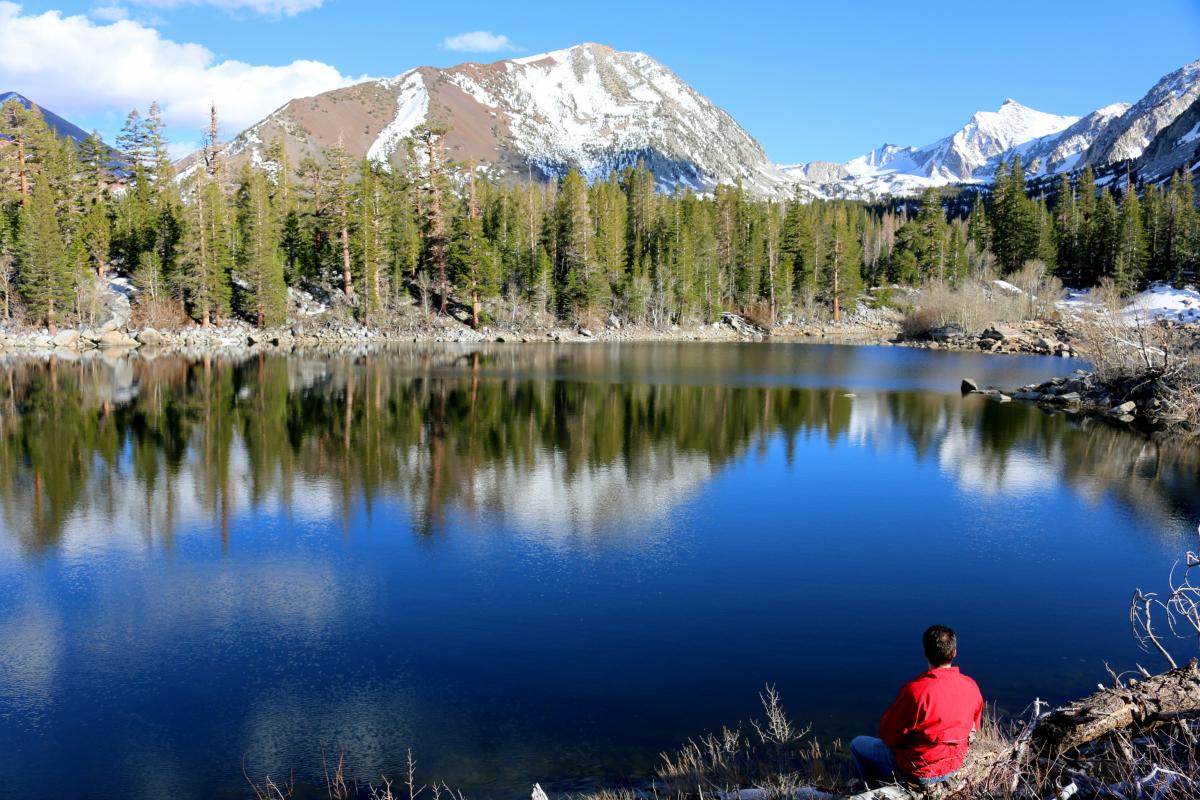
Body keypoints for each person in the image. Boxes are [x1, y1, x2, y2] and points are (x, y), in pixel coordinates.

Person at [850, 625, 983, 789]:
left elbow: (889, 735)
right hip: (954, 765)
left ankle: (874, 788)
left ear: (925, 653)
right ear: (954, 652)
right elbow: (974, 729)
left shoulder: (916, 691)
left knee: (857, 744)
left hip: (918, 771)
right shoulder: (971, 687)